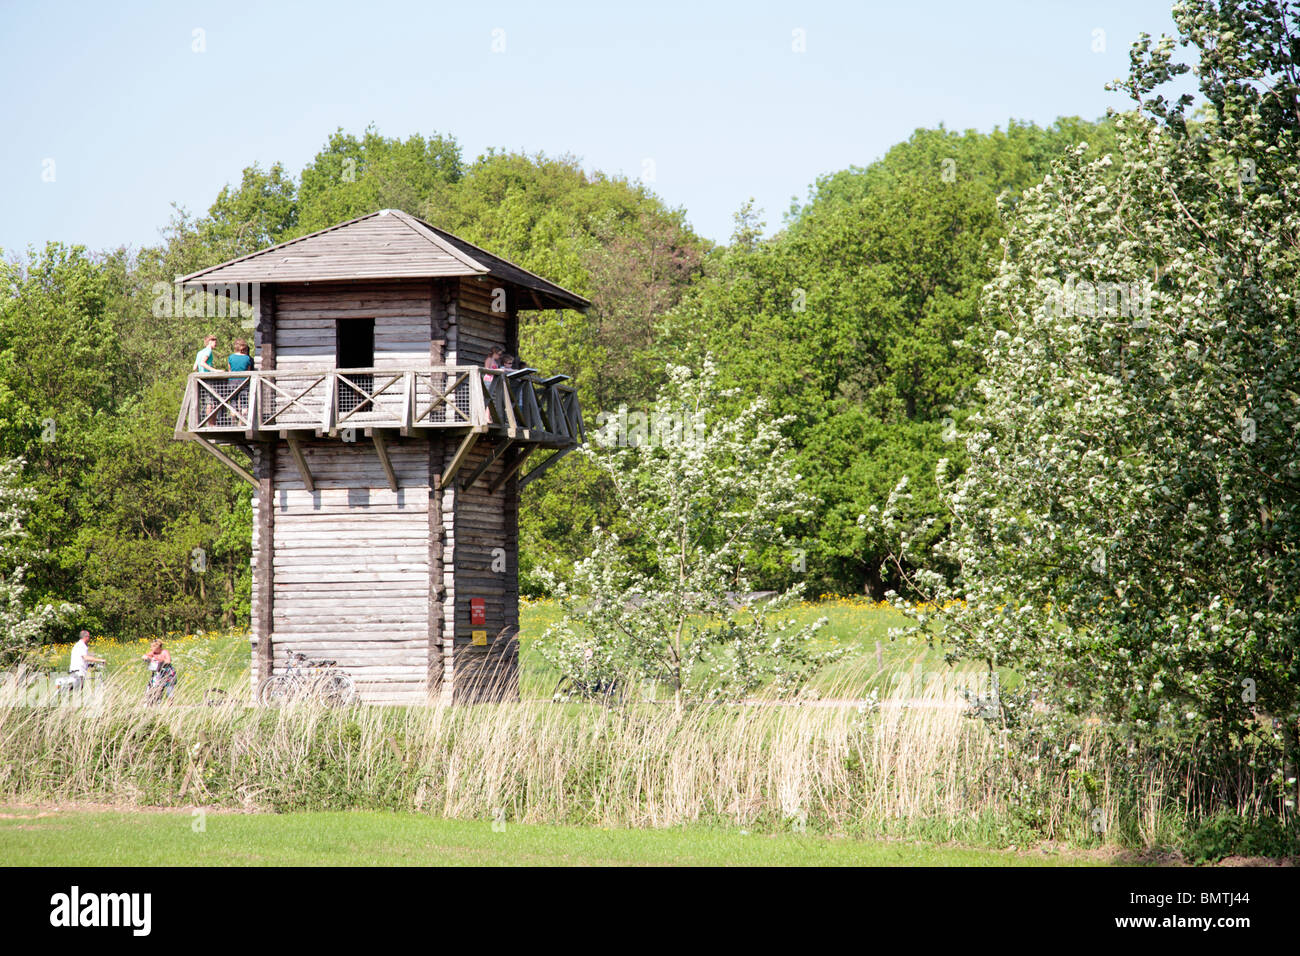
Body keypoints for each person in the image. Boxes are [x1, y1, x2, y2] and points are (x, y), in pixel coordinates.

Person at [227, 339, 254, 425]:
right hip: (244, 381)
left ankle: (233, 422)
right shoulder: (247, 358)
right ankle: (242, 422)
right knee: (244, 402)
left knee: (233, 402)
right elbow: (248, 371)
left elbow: (229, 370)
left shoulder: (231, 357)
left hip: (232, 381)